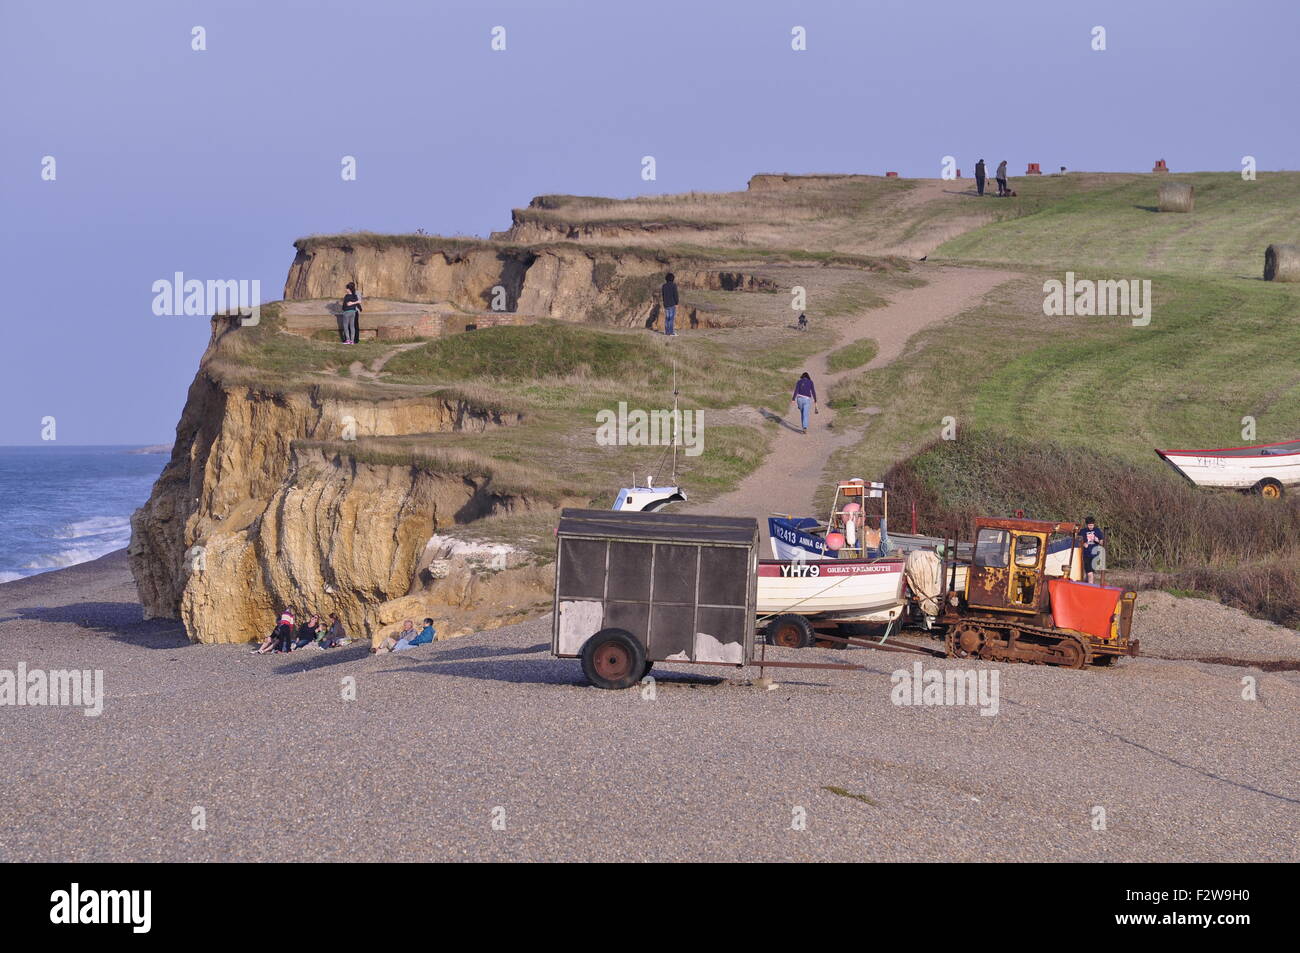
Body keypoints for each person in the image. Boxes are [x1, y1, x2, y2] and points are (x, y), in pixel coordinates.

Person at [1077, 517, 1107, 584]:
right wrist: (1083, 543)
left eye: (1092, 525)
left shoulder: (1097, 531)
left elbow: (1102, 543)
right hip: (1086, 555)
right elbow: (1077, 540)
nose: (1091, 526)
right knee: (1090, 574)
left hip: (1095, 555)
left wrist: (1098, 540)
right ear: (1086, 524)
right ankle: (1090, 588)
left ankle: (1087, 585)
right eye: (1089, 525)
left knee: (1090, 574)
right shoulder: (1083, 531)